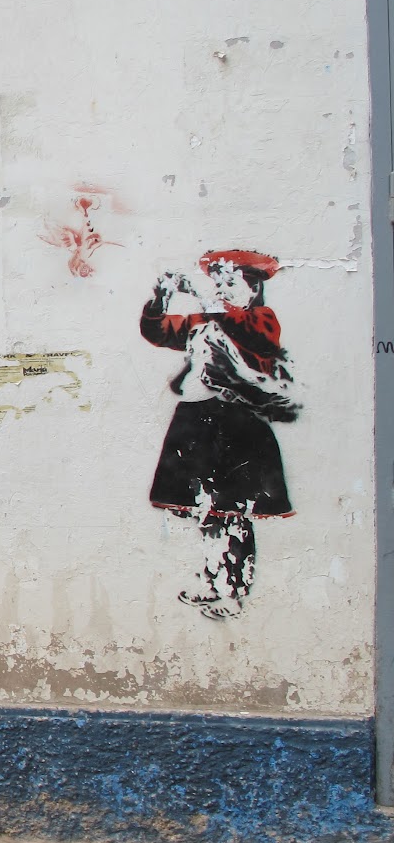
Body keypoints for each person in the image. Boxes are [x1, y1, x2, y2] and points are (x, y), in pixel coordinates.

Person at [140, 250, 299, 620]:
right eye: (219, 281)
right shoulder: (205, 320)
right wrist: (162, 296)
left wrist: (201, 296)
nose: (222, 289)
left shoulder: (260, 320)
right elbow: (158, 330)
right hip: (197, 421)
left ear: (253, 287)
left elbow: (246, 331)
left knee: (236, 512)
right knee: (206, 511)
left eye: (231, 281)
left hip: (238, 424)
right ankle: (213, 581)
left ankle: (235, 589)